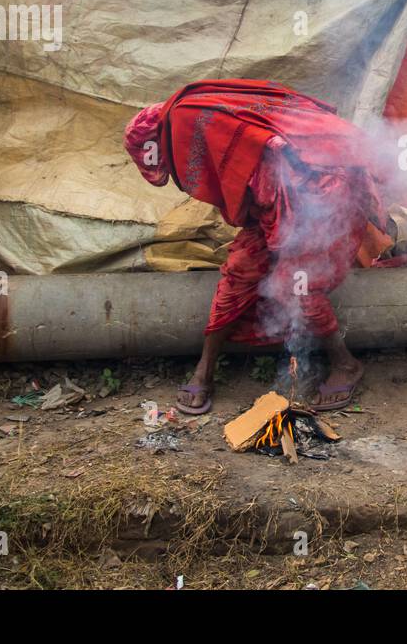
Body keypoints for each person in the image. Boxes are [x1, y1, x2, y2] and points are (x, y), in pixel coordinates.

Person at [124, 80, 384, 414]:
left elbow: (274, 176)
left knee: (298, 281)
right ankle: (203, 371)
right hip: (281, 196)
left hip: (325, 184)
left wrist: (283, 246)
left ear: (161, 144)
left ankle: (345, 364)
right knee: (239, 271)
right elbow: (256, 178)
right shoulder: (193, 118)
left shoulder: (189, 123)